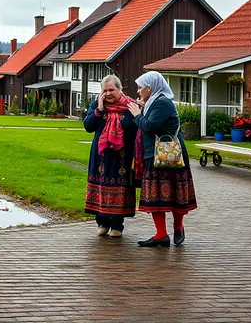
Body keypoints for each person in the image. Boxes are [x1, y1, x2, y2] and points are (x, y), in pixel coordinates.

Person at [127, 71, 198, 247]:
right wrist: (143, 109)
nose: (138, 91)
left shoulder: (163, 103)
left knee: (175, 195)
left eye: (140, 88)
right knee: (156, 197)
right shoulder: (153, 102)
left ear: (150, 88)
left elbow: (149, 126)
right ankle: (161, 234)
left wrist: (137, 114)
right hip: (155, 155)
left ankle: (178, 227)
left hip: (169, 155)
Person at [83, 74, 138, 238]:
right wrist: (99, 110)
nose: (107, 94)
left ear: (120, 89)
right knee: (100, 185)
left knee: (120, 187)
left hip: (122, 157)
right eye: (104, 90)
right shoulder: (97, 105)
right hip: (101, 156)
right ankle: (102, 222)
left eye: (111, 90)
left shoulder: (130, 106)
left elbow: (137, 128)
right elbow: (88, 126)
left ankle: (117, 225)